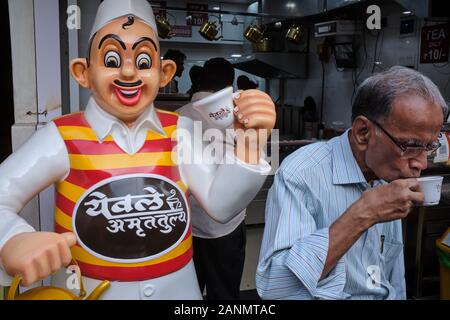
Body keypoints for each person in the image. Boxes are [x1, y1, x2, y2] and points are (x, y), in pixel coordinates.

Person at [0, 0, 276, 300]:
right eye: (112, 59)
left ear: (164, 73)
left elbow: (221, 206)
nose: (129, 72)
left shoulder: (180, 130)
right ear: (83, 72)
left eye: (144, 61)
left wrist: (250, 142)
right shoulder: (62, 137)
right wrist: (12, 239)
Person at [256, 66, 446, 300]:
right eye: (410, 146)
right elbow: (276, 288)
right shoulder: (302, 173)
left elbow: (390, 279)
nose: (421, 163)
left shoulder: (386, 175)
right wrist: (362, 214)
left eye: (429, 147)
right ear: (363, 132)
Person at [177, 57, 247, 300]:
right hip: (227, 226)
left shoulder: (176, 119)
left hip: (187, 226)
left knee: (187, 294)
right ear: (230, 85)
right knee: (225, 294)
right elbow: (252, 163)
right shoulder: (238, 119)